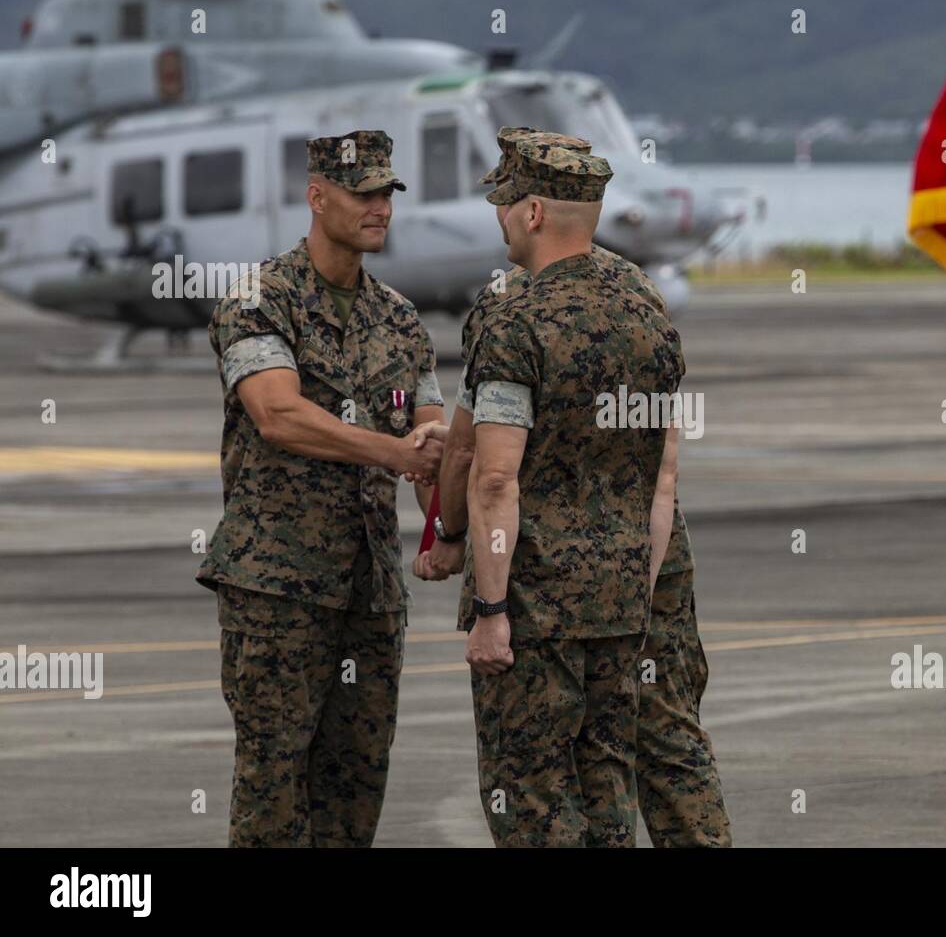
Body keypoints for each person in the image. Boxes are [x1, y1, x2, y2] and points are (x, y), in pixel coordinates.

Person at [417, 127, 732, 847]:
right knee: (624, 766)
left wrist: (471, 573)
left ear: (530, 213)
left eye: (504, 202)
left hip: (536, 593)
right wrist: (637, 594)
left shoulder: (512, 316)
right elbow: (665, 475)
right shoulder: (645, 304)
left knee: (528, 785)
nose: (497, 216)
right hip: (629, 586)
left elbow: (489, 470)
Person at [197, 129, 447, 847]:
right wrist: (398, 452)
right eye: (363, 192)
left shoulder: (398, 318)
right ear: (316, 196)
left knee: (356, 786)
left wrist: (454, 518)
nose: (379, 207)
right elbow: (278, 416)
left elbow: (430, 449)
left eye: (386, 193)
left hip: (370, 595)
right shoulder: (258, 299)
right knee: (274, 790)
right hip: (279, 589)